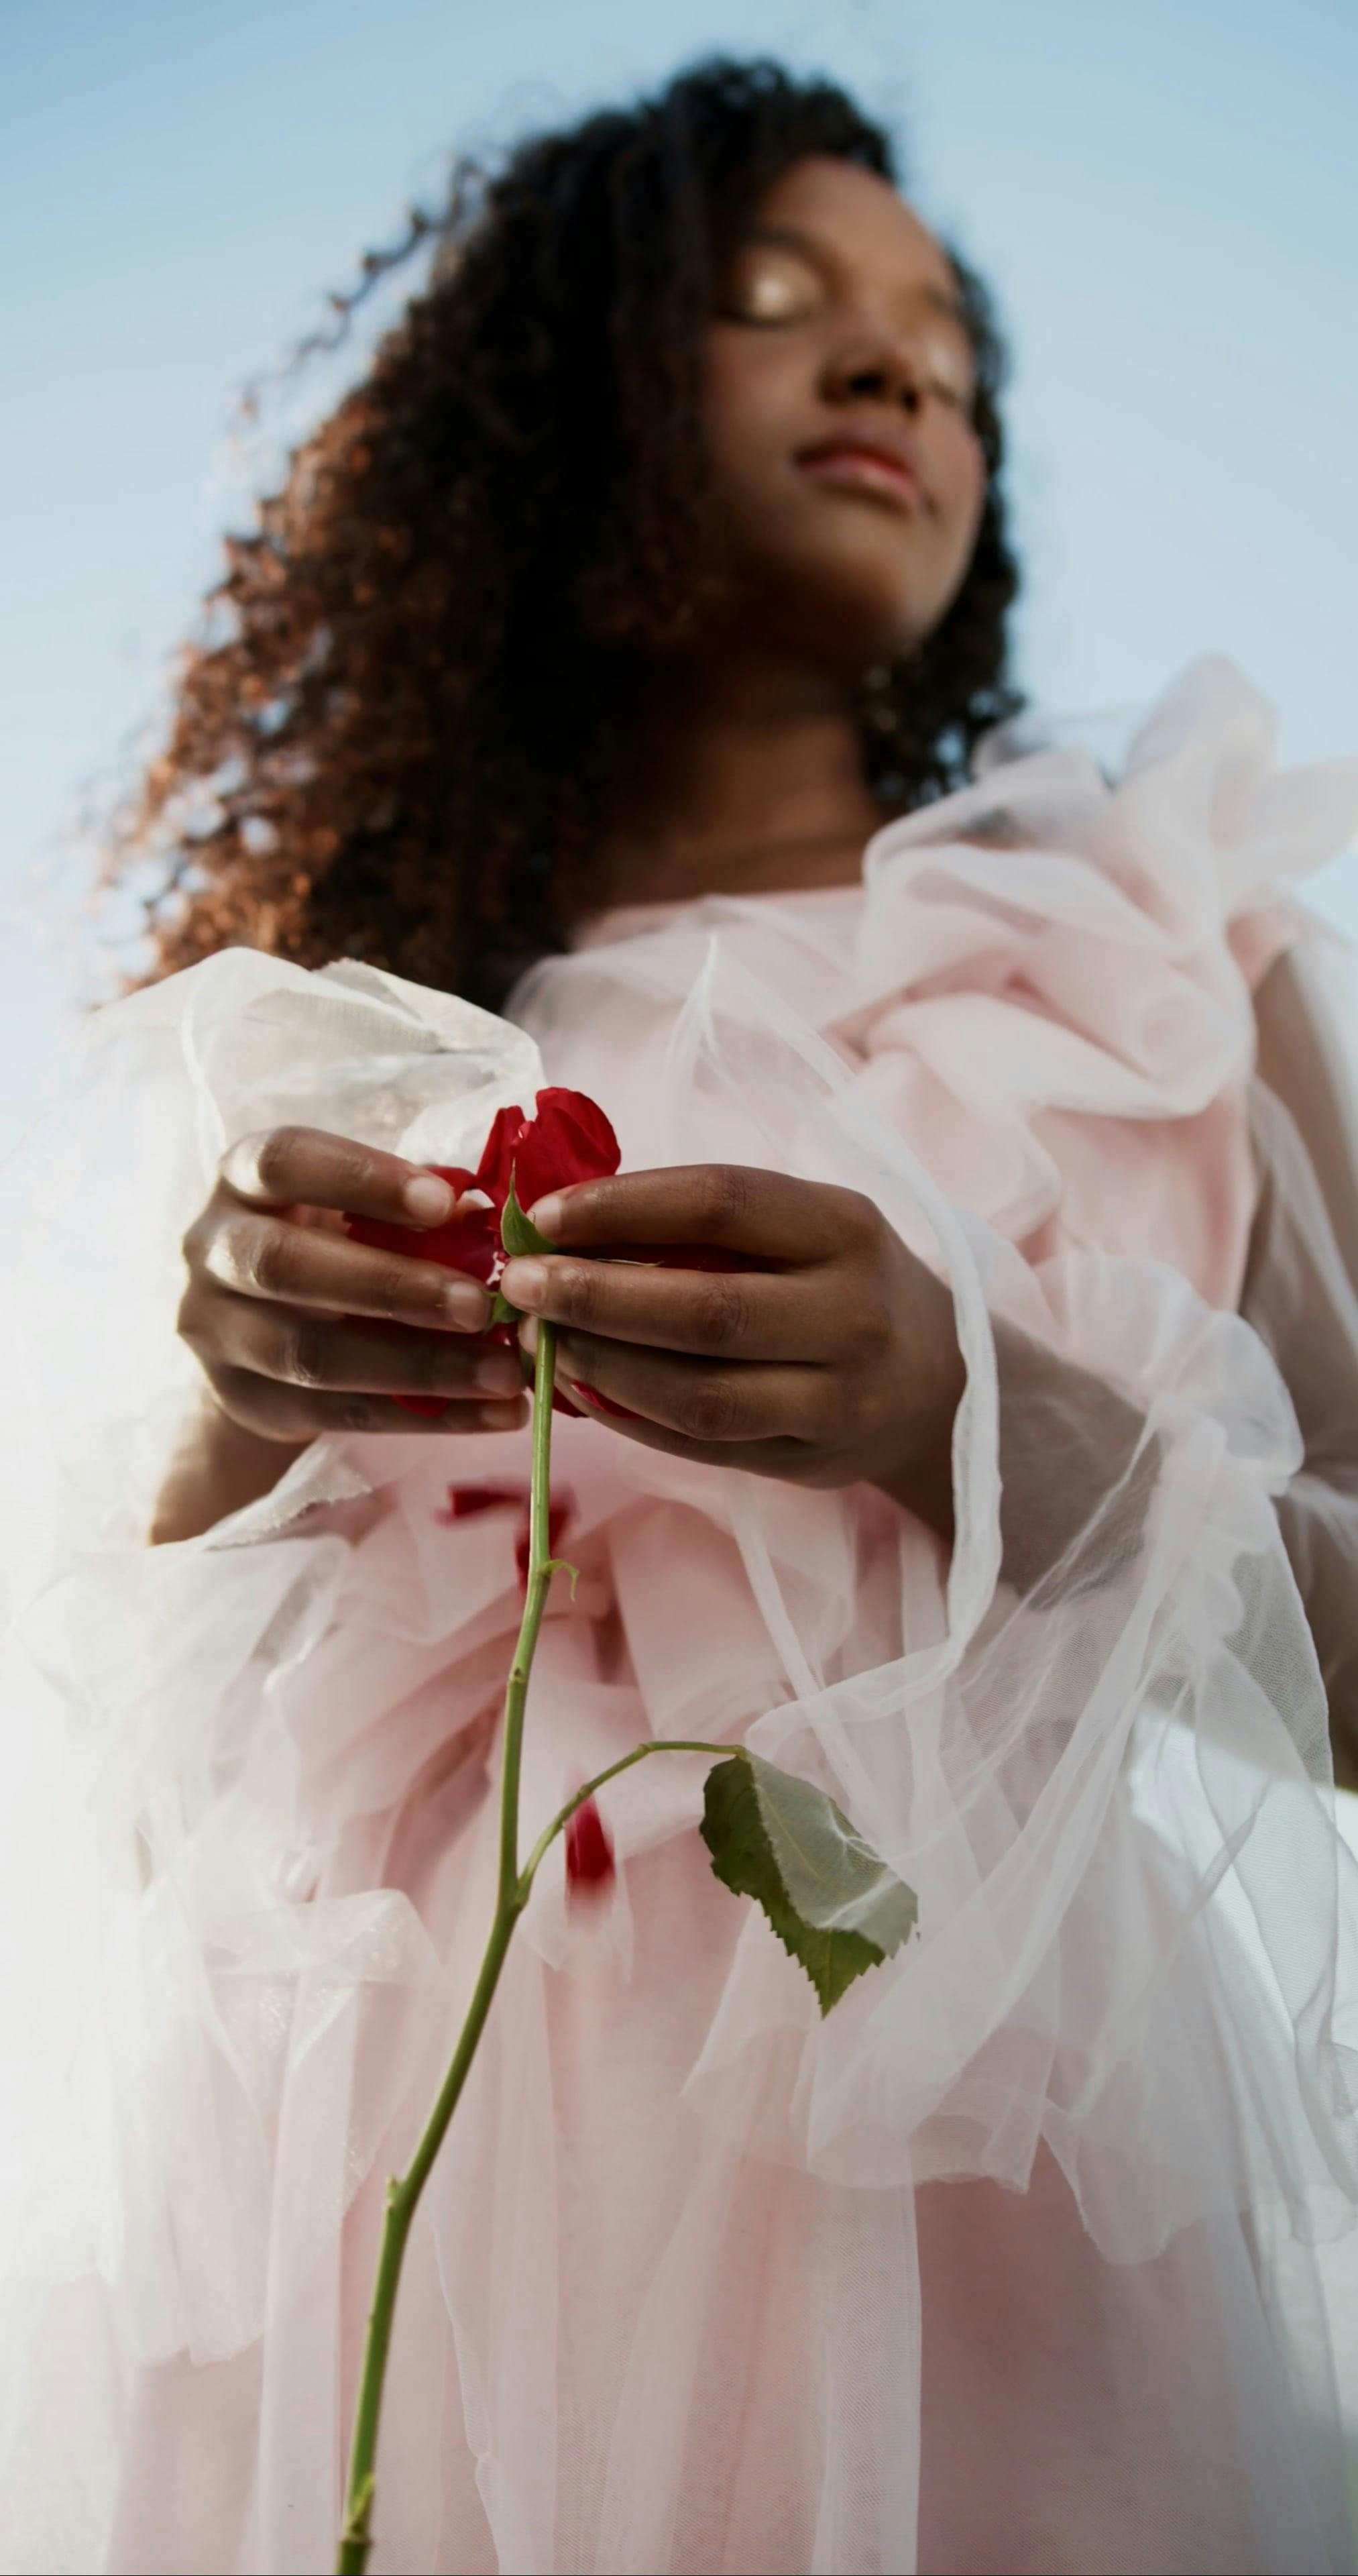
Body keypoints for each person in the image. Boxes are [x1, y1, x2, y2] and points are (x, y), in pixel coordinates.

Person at [1, 53, 1357, 2576]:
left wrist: (971, 1404)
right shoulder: (362, 1021)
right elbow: (138, 1775)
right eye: (772, 301)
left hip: (947, 2198)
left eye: (944, 345)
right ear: (573, 396)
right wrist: (229, 1407)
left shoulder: (1160, 957)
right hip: (366, 2194)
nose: (894, 369)